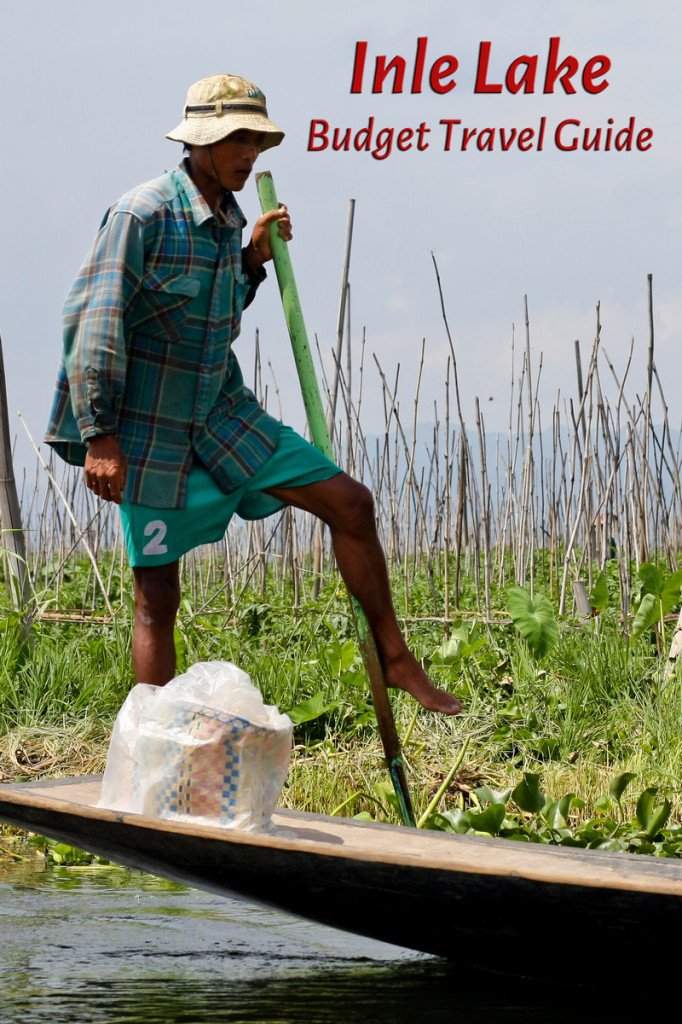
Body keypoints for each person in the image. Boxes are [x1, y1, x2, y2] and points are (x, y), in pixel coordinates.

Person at [46, 73, 461, 717]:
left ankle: (395, 657)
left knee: (351, 504)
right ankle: (156, 744)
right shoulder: (143, 214)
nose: (250, 155)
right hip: (150, 433)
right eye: (238, 139)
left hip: (223, 416)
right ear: (202, 143)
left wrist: (253, 260)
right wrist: (99, 435)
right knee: (157, 598)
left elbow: (217, 317)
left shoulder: (228, 221)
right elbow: (93, 325)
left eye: (257, 143)